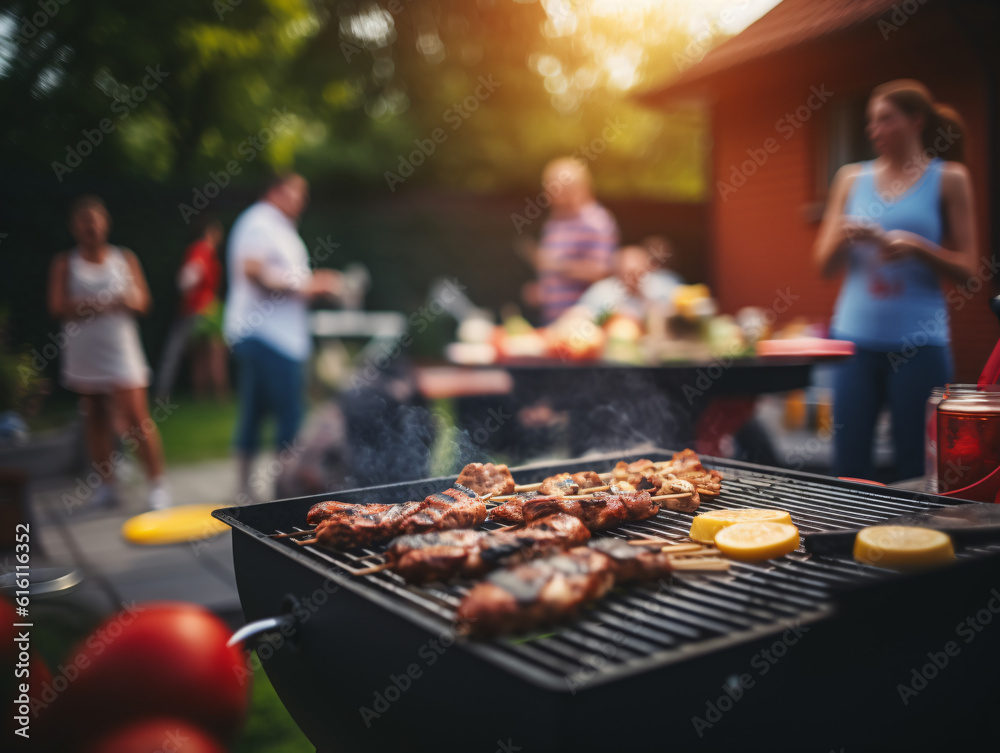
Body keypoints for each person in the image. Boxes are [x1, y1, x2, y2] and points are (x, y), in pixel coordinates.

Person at [813, 80, 979, 480]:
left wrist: (915, 247)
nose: (873, 130)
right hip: (854, 341)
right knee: (849, 467)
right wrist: (844, 234)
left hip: (921, 343)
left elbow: (971, 273)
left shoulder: (950, 178)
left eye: (885, 119)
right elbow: (822, 264)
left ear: (916, 121)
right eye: (870, 121)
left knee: (918, 469)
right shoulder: (850, 179)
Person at [47, 195, 171, 509]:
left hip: (121, 349)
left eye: (96, 220)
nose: (91, 227)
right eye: (84, 221)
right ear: (75, 227)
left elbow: (143, 301)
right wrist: (98, 303)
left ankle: (157, 483)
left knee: (136, 418)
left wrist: (123, 301)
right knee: (96, 417)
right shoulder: (65, 262)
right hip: (85, 352)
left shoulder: (124, 259)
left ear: (105, 223)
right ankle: (107, 485)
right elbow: (58, 305)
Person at [223, 173, 341, 501]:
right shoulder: (260, 222)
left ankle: (245, 489)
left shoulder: (277, 226)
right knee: (290, 413)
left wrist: (313, 282)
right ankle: (286, 492)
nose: (301, 200)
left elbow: (285, 275)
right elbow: (253, 270)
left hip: (273, 336)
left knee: (254, 411)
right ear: (276, 190)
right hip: (268, 336)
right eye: (296, 192)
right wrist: (309, 284)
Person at [531, 158, 619, 324]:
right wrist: (544, 292)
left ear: (582, 187)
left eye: (559, 187)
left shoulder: (596, 221)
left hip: (583, 325)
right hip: (552, 323)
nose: (552, 194)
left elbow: (602, 271)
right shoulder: (554, 222)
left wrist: (556, 265)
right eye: (549, 187)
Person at [154, 218, 228, 402]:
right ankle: (218, 396)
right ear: (210, 232)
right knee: (209, 352)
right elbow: (186, 280)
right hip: (201, 309)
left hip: (199, 308)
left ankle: (200, 396)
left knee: (200, 353)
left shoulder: (205, 251)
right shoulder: (202, 250)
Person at [573, 240, 683, 322]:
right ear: (617, 273)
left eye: (639, 273)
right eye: (628, 274)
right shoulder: (602, 292)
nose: (634, 279)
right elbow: (579, 315)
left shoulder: (664, 285)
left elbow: (686, 308)